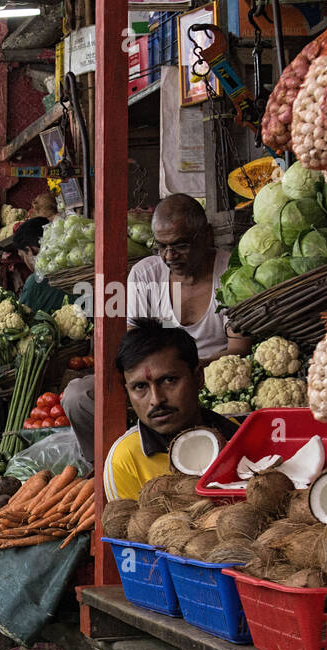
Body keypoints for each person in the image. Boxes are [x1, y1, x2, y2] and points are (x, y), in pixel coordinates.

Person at [64, 194, 251, 466]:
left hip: (209, 377)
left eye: (179, 245)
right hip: (152, 374)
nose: (169, 256)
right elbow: (133, 343)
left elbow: (239, 347)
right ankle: (107, 469)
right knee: (79, 396)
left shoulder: (232, 272)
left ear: (206, 236)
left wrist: (189, 371)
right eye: (161, 247)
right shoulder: (146, 274)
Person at [104, 319, 240, 501]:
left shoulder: (239, 437)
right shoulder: (126, 459)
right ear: (127, 391)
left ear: (198, 377)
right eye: (140, 387)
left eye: (169, 380)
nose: (156, 400)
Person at [7, 216, 72, 315]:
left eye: (22, 257)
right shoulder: (74, 263)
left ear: (30, 250)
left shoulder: (35, 282)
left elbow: (21, 316)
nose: (24, 262)